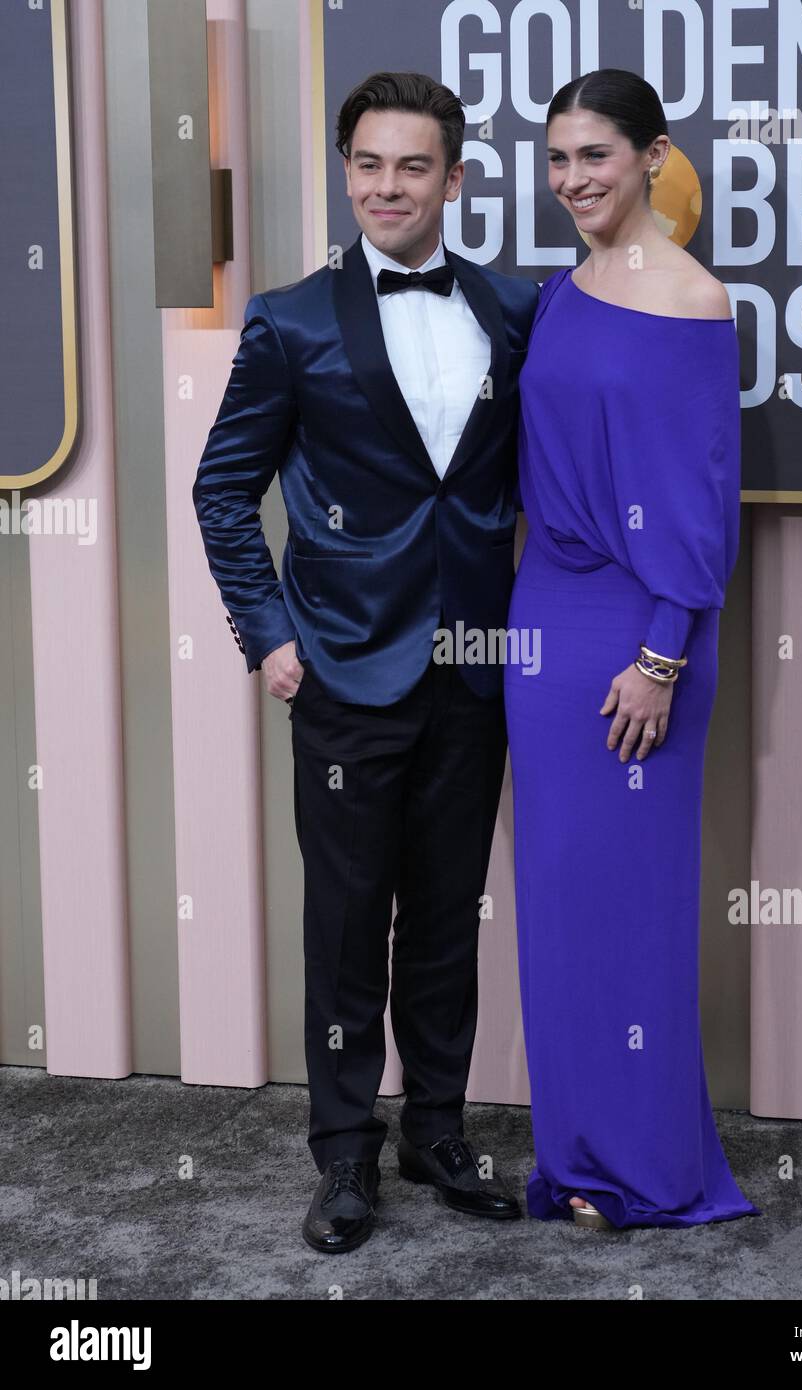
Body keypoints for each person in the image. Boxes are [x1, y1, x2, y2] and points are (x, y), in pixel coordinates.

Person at [193, 71, 539, 1254]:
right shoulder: (292, 320)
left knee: (447, 916)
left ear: (454, 176)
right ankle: (344, 1156)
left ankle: (436, 1131)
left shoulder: (511, 307)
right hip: (342, 667)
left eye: (415, 166)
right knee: (347, 923)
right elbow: (221, 490)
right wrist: (271, 636)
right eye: (370, 165)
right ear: (347, 172)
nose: (390, 187)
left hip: (475, 667)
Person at [504, 68, 761, 1230]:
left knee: (632, 911)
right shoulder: (569, 287)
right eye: (557, 159)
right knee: (559, 907)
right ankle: (577, 1157)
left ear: (653, 157)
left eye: (594, 156)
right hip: (543, 625)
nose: (573, 181)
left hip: (635, 635)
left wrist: (661, 656)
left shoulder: (693, 298)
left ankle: (649, 1171)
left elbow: (700, 502)